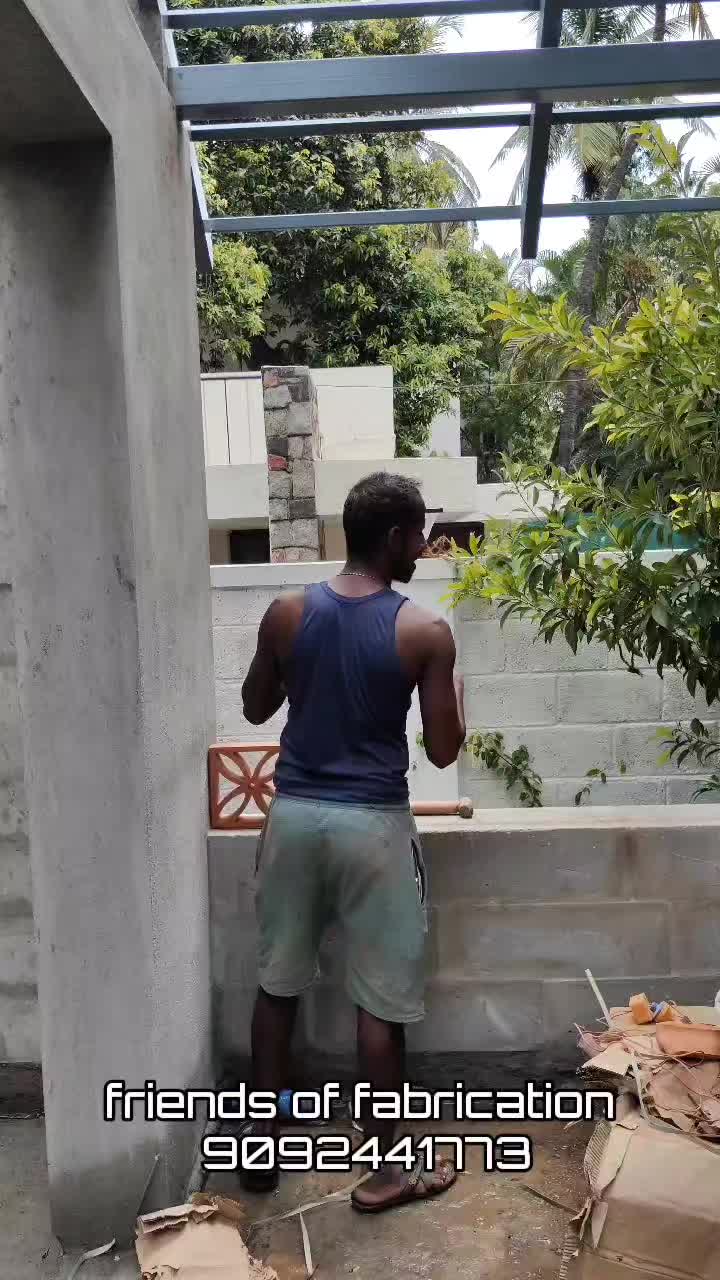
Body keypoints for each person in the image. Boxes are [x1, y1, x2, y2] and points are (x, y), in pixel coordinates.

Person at [241, 471, 466, 1212]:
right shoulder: (425, 632)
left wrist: (300, 674)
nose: (422, 546)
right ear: (397, 536)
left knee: (278, 985)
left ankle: (260, 1154)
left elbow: (254, 706)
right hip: (372, 826)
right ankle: (387, 1173)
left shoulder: (288, 611)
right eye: (418, 533)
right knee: (381, 1006)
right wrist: (447, 683)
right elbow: (441, 751)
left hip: (296, 815)